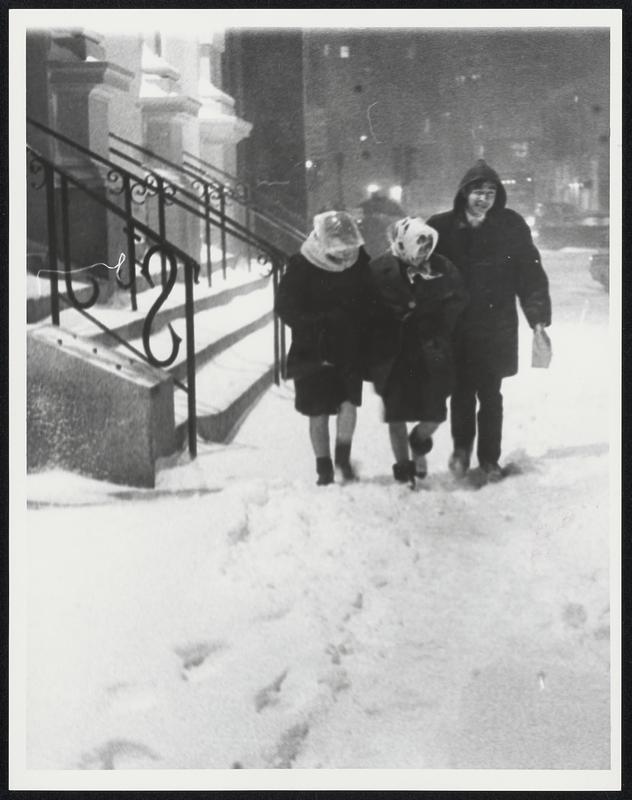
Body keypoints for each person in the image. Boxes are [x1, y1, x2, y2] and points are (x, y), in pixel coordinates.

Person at [427, 160, 552, 482]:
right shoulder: (441, 228)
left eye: (491, 192)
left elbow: (530, 272)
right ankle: (461, 453)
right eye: (478, 192)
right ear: (464, 193)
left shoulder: (511, 226)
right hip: (457, 326)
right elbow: (421, 271)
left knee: (491, 393)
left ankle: (489, 459)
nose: (485, 199)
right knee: (461, 393)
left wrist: (537, 317)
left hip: (496, 325)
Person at [365, 216, 468, 485]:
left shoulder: (443, 267)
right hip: (393, 353)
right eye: (418, 243)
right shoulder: (378, 269)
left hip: (430, 350)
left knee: (434, 413)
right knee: (396, 413)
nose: (424, 250)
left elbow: (459, 299)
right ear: (402, 242)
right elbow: (363, 308)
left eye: (428, 244)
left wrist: (438, 321)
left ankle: (419, 440)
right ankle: (403, 468)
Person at [275, 210, 370, 486]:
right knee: (318, 412)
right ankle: (323, 468)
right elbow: (285, 306)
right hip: (312, 349)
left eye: (347, 247)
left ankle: (342, 457)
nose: (343, 255)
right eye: (338, 248)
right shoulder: (302, 264)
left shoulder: (358, 260)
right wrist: (317, 324)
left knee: (348, 404)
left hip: (347, 347)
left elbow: (370, 297)